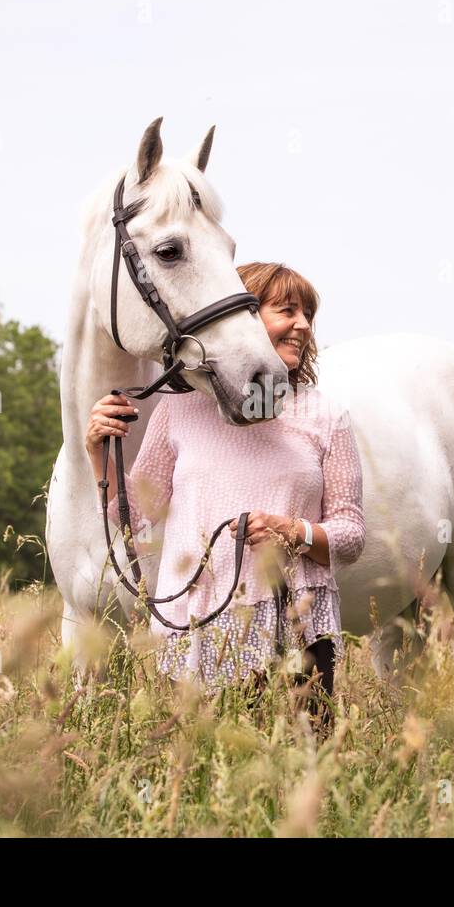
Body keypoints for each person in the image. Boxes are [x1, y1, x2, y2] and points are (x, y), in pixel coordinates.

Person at [85, 262, 366, 736]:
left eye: (308, 314)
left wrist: (290, 531)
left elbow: (351, 535)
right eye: (287, 310)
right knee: (199, 771)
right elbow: (140, 520)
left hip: (295, 624)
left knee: (304, 763)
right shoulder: (180, 409)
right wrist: (99, 452)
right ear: (245, 317)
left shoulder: (325, 416)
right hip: (195, 624)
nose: (302, 325)